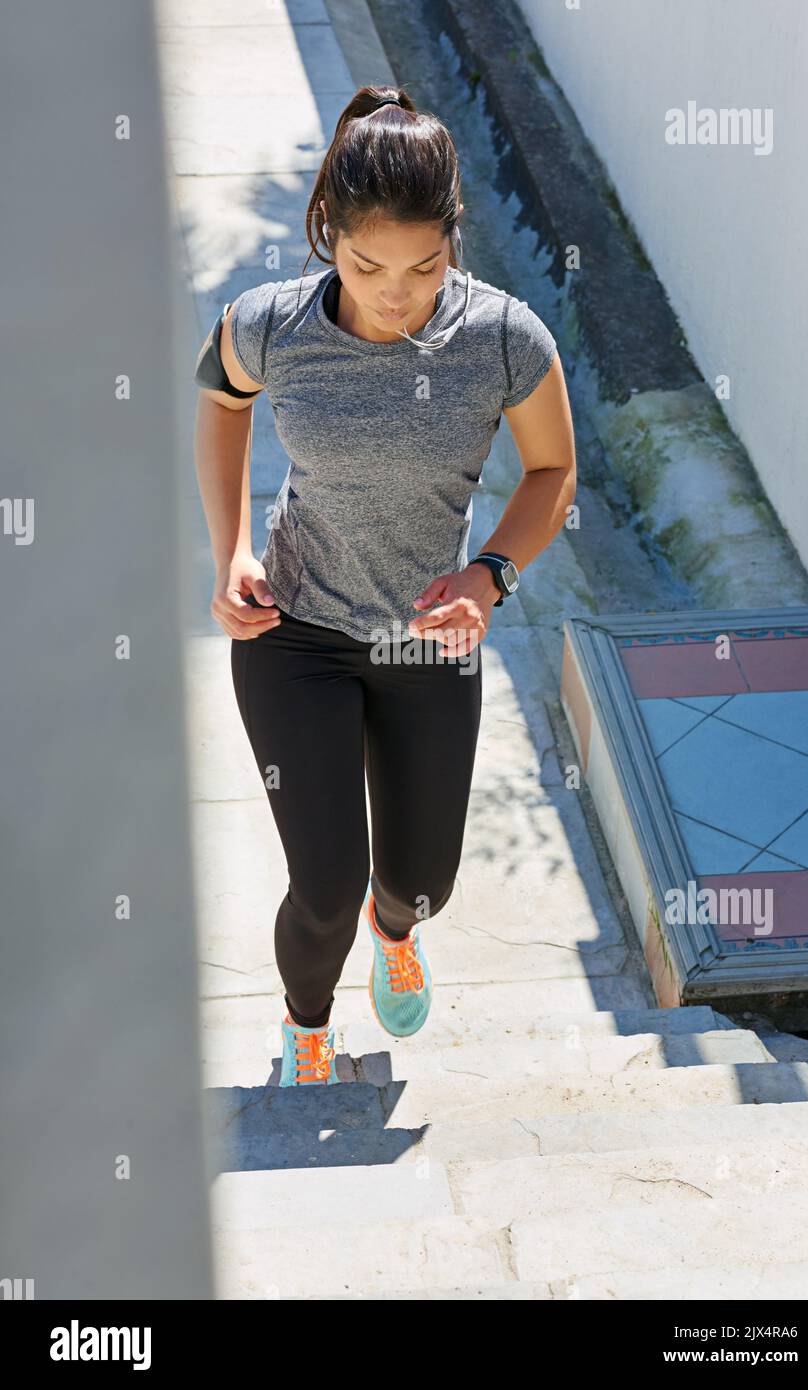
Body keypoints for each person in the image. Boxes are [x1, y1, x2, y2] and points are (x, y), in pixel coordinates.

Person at [193, 85, 576, 1086]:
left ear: (453, 239)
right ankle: (306, 1028)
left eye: (423, 265)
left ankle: (394, 930)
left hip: (424, 641)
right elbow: (219, 400)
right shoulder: (269, 323)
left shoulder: (503, 340)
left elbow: (551, 471)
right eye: (366, 265)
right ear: (327, 234)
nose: (394, 291)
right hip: (295, 633)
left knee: (417, 883)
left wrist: (489, 577)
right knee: (323, 884)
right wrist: (230, 545)